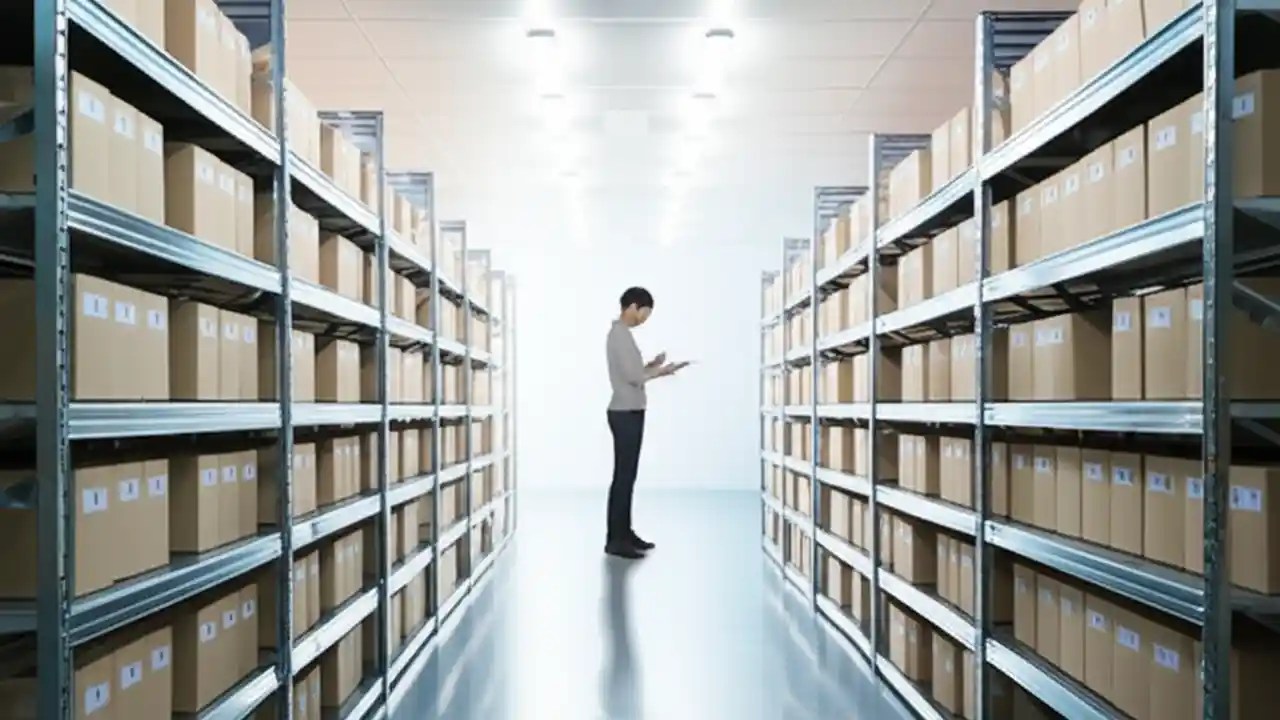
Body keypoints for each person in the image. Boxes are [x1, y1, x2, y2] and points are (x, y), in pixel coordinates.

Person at [604, 286, 689, 559]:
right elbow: (632, 376)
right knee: (623, 477)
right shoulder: (618, 335)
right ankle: (616, 540)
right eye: (644, 313)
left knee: (628, 477)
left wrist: (653, 365)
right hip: (624, 412)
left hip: (631, 411)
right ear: (632, 306)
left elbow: (634, 371)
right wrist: (662, 372)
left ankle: (625, 533)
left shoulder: (623, 335)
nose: (644, 319)